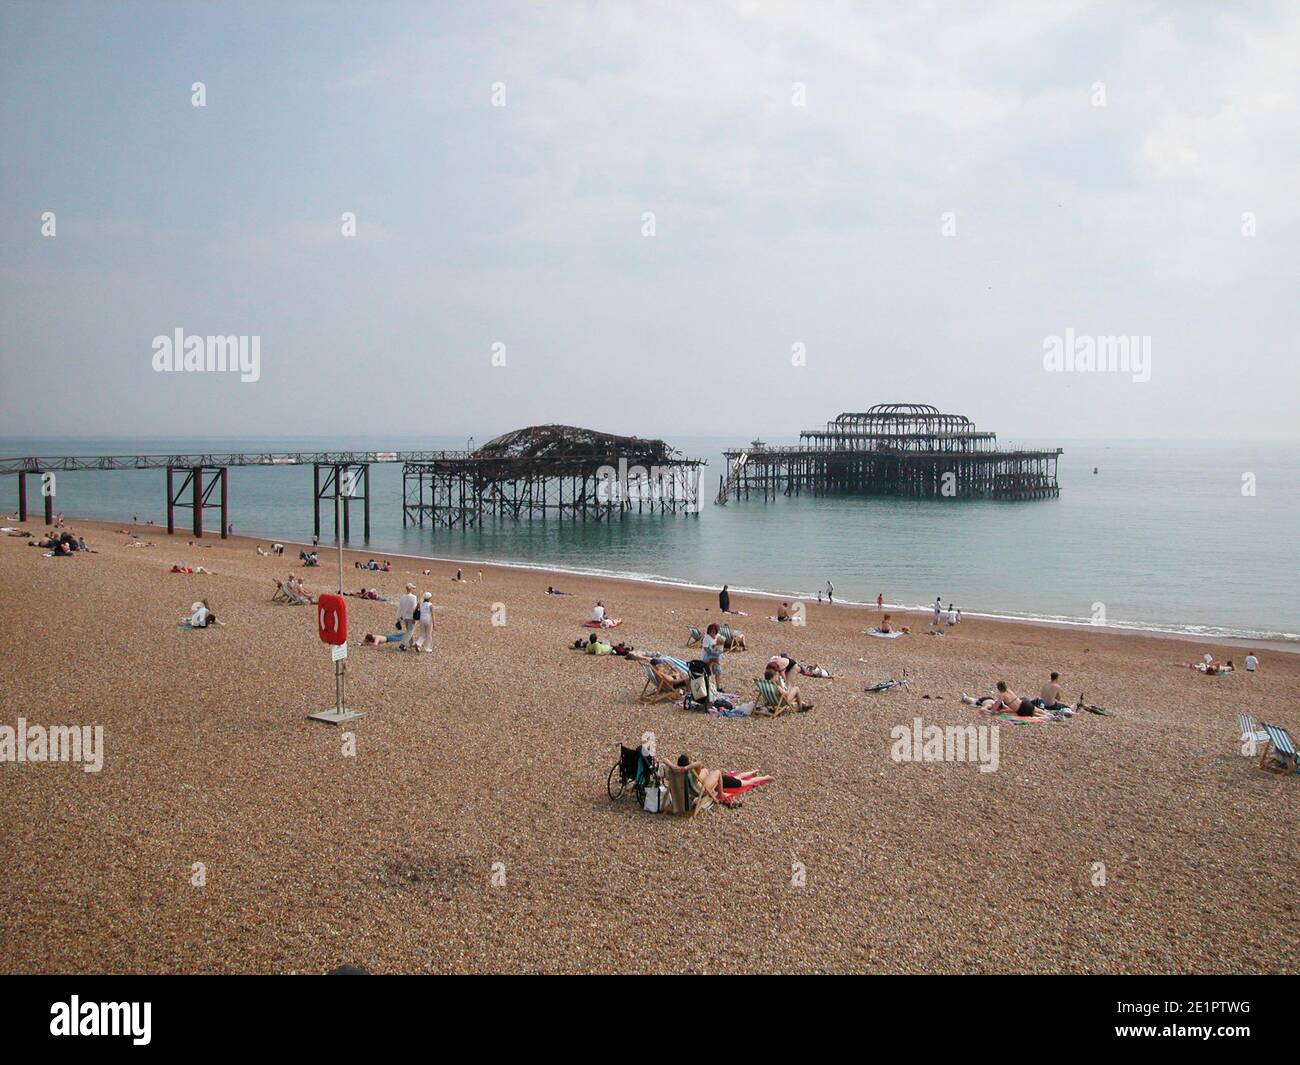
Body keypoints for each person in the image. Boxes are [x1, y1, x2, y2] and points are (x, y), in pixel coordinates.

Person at [962, 681, 1044, 717]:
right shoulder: (1009, 690)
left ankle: (965, 697)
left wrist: (992, 712)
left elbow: (993, 709)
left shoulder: (1002, 696)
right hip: (1025, 703)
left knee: (1033, 714)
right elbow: (1006, 707)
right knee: (1035, 711)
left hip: (1021, 709)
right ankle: (1048, 714)